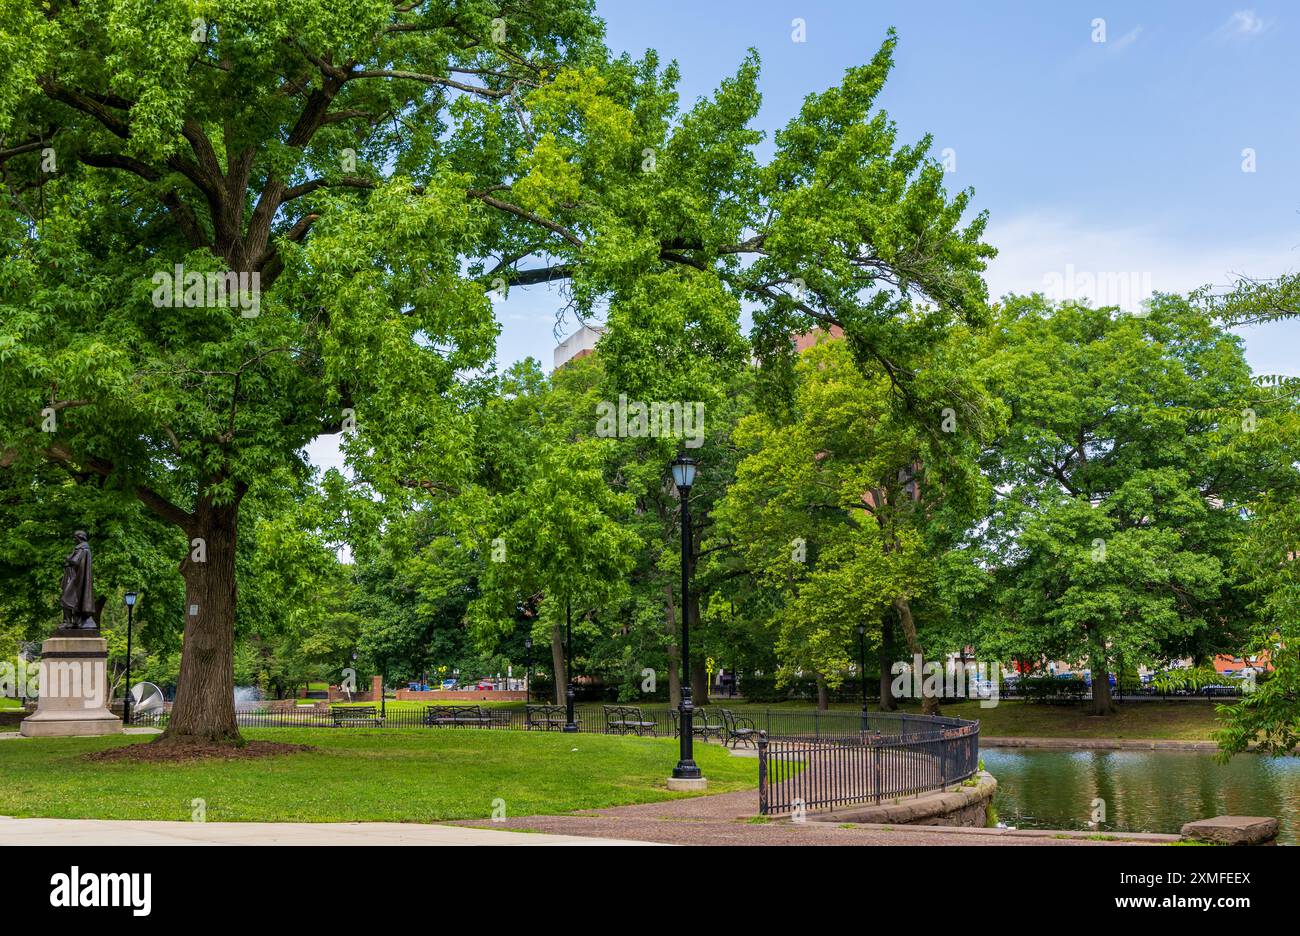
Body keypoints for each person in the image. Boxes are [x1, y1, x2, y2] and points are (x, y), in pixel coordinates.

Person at [60, 531, 96, 629]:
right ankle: (74, 621)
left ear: (79, 538)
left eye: (75, 537)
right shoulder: (84, 548)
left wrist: (67, 558)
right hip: (74, 577)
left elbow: (75, 561)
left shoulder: (82, 549)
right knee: (72, 600)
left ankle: (67, 622)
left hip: (75, 579)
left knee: (65, 599)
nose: (74, 539)